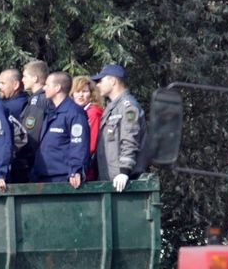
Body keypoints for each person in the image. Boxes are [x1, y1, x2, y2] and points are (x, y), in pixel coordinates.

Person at [92, 64, 145, 192]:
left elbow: (130, 140)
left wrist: (124, 172)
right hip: (109, 181)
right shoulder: (111, 108)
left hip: (123, 183)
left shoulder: (128, 107)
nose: (97, 85)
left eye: (100, 81)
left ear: (113, 81)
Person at [32, 72, 89, 187]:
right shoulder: (51, 111)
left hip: (63, 178)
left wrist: (75, 170)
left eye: (47, 85)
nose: (44, 88)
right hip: (43, 176)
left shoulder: (74, 113)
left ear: (57, 88)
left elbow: (79, 143)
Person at [16, 60, 50, 182]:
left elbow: (32, 133)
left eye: (25, 76)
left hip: (34, 160)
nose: (22, 80)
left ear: (35, 78)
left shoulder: (38, 101)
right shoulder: (39, 98)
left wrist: (24, 154)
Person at [71, 75, 103, 181]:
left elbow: (92, 145)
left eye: (84, 91)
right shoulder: (77, 112)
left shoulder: (93, 113)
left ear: (91, 94)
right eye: (77, 91)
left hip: (87, 167)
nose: (81, 95)